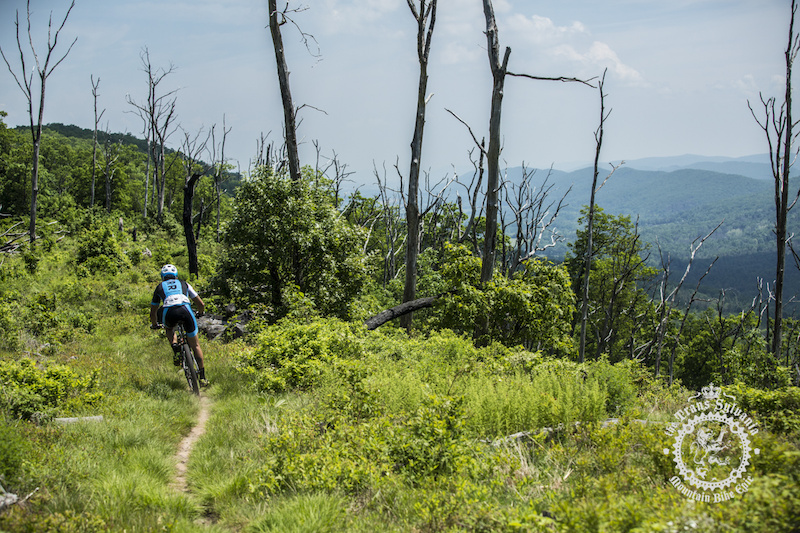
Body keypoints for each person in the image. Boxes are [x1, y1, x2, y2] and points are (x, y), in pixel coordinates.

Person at [150, 264, 208, 385]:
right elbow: (200, 304)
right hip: (185, 310)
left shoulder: (159, 287)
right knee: (196, 345)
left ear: (162, 277)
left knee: (169, 329)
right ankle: (202, 377)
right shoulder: (184, 284)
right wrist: (200, 313)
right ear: (176, 276)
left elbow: (153, 310)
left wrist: (155, 324)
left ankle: (175, 347)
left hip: (169, 312)